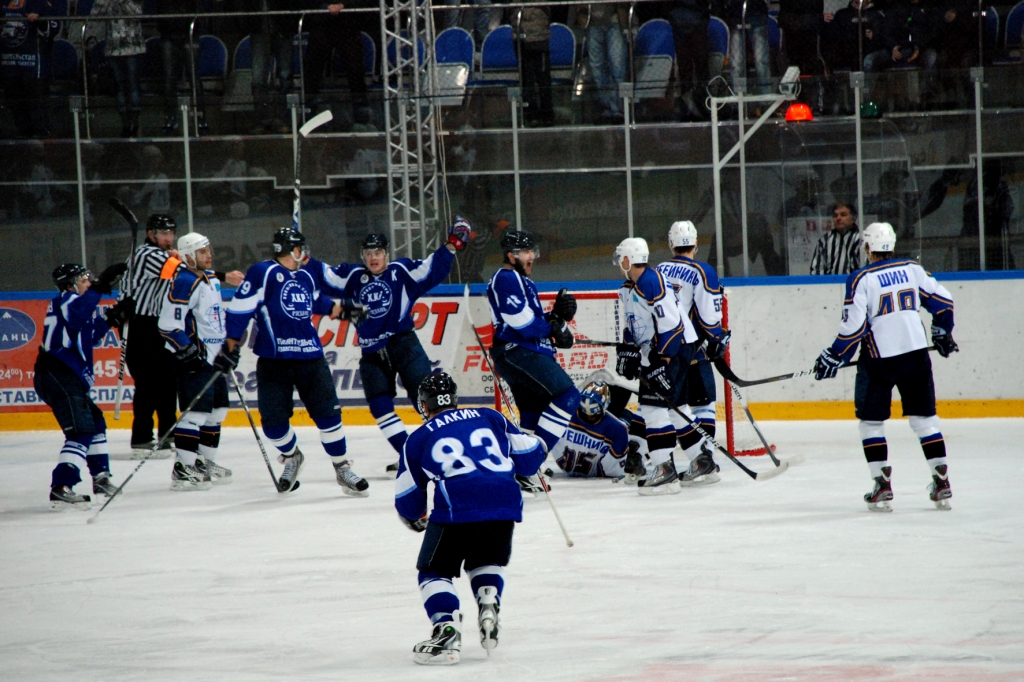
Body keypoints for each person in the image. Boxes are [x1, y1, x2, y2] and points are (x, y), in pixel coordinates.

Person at [395, 371, 546, 665]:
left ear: (424, 405)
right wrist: (539, 446)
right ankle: (489, 602)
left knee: (433, 571)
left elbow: (408, 501)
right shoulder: (490, 416)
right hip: (504, 504)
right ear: (453, 399)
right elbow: (529, 459)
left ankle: (446, 631)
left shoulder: (418, 438)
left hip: (458, 505)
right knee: (484, 560)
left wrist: (415, 516)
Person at [814, 222, 957, 512]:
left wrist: (834, 355)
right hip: (916, 356)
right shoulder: (912, 269)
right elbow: (943, 303)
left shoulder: (860, 278)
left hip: (878, 361)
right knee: (925, 421)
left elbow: (853, 329)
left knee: (871, 423)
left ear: (867, 248)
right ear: (891, 245)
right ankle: (942, 481)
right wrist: (942, 332)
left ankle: (882, 485)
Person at [313, 220, 471, 471]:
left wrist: (451, 246)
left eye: (377, 253)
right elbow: (323, 275)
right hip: (372, 353)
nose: (373, 258)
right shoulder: (353, 277)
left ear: (386, 254)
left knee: (429, 400)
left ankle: (448, 450)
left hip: (404, 344)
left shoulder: (401, 272)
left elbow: (432, 268)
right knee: (380, 407)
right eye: (368, 254)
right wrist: (299, 258)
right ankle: (411, 455)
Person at [224, 227, 368, 495]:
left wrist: (344, 311)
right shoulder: (262, 273)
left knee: (329, 417)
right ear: (291, 250)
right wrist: (229, 346)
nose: (305, 252)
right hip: (273, 361)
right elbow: (239, 309)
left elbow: (317, 302)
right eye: (301, 247)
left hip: (311, 360)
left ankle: (342, 467)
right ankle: (292, 457)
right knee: (273, 425)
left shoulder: (304, 276)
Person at [34, 263, 125, 510]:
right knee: (81, 430)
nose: (89, 281)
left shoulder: (75, 305)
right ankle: (62, 487)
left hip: (63, 375)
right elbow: (78, 314)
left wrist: (113, 318)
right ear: (70, 284)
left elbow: (89, 333)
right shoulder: (67, 300)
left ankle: (101, 478)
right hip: (57, 373)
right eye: (84, 279)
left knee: (95, 422)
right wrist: (99, 286)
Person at [485, 230, 578, 456]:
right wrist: (552, 327)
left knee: (532, 411)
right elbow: (521, 322)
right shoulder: (506, 278)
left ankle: (520, 466)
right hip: (518, 352)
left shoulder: (522, 281)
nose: (532, 256)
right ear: (510, 255)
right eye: (526, 251)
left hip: (518, 353)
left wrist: (554, 317)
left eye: (532, 251)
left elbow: (531, 320)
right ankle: (533, 459)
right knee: (569, 396)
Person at [612, 237, 692, 495]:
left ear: (628, 259)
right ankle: (702, 458)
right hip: (657, 354)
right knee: (673, 408)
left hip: (673, 351)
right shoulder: (629, 287)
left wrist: (661, 361)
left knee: (652, 408)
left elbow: (672, 325)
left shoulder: (651, 281)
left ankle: (664, 470)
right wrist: (627, 349)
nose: (618, 264)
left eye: (620, 258)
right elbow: (631, 325)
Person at [654, 221, 730, 485]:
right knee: (702, 402)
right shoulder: (702, 270)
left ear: (671, 243)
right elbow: (709, 317)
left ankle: (692, 458)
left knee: (672, 404)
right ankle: (703, 458)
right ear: (696, 243)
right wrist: (718, 337)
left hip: (666, 346)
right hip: (691, 346)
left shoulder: (660, 268)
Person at [158, 233, 234, 490]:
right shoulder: (183, 282)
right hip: (195, 359)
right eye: (202, 252)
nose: (209, 255)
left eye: (208, 250)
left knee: (218, 412)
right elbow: (167, 325)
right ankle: (183, 467)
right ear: (189, 256)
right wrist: (187, 351)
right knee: (196, 414)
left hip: (216, 358)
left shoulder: (211, 279)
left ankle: (202, 463)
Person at [121, 214, 182, 459]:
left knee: (167, 381)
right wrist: (220, 275)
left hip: (156, 324)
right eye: (164, 233)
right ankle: (142, 438)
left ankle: (168, 435)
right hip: (139, 325)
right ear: (151, 234)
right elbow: (178, 272)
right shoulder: (147, 255)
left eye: (171, 233)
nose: (169, 238)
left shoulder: (158, 254)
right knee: (147, 383)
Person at [548, 380, 631, 478]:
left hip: (567, 467)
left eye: (593, 416)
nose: (589, 418)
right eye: (585, 415)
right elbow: (612, 471)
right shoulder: (617, 429)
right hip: (598, 473)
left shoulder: (564, 411)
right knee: (627, 417)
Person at [0, 0, 58, 138]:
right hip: (9, 65)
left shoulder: (39, 3)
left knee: (37, 113)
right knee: (17, 111)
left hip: (33, 68)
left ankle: (41, 147)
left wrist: (40, 21)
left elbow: (54, 27)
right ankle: (24, 147)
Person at [94, 0, 145, 137]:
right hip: (113, 48)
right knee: (120, 88)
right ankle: (125, 125)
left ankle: (134, 123)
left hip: (133, 47)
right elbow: (95, 15)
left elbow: (138, 13)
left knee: (133, 86)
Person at [156, 0, 208, 135]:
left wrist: (196, 26)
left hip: (190, 34)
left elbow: (199, 8)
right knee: (169, 78)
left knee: (194, 76)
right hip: (168, 34)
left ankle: (200, 116)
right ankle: (170, 117)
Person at [577, 2, 629, 123]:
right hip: (591, 22)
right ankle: (607, 108)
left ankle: (618, 110)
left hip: (615, 21)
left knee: (617, 66)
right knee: (597, 67)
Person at [667, 0, 710, 121]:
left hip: (698, 18)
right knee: (685, 68)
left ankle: (703, 102)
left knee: (701, 65)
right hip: (678, 19)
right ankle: (688, 106)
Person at [517, 5, 554, 127]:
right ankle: (531, 114)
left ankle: (547, 114)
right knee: (527, 79)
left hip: (539, 36)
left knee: (543, 77)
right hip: (520, 35)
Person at [809, 202, 862, 275]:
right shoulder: (825, 240)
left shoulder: (861, 240)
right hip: (829, 285)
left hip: (855, 284)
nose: (838, 218)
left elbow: (866, 269)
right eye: (835, 215)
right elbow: (816, 270)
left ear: (853, 218)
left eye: (843, 215)